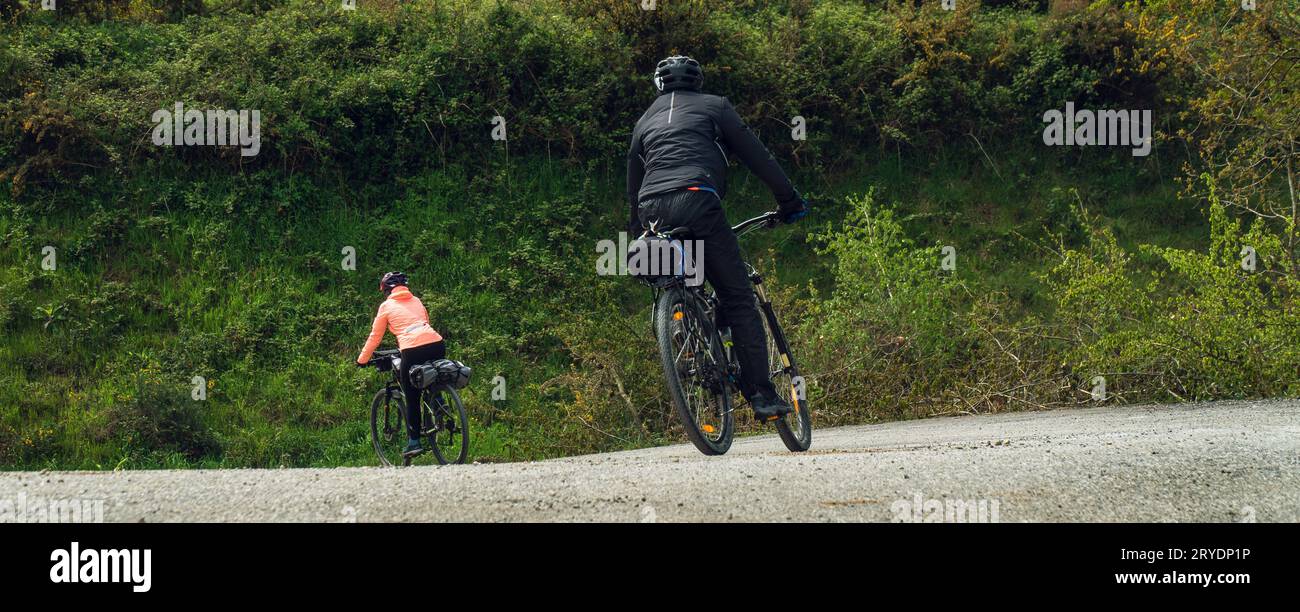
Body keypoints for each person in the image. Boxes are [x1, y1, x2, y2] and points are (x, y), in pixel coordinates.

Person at [626, 55, 809, 421]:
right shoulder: (715, 106)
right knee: (738, 296)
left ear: (659, 86)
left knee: (687, 276)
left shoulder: (644, 120)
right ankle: (761, 394)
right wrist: (788, 200)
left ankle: (690, 332)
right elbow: (758, 155)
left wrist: (637, 228)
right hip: (698, 199)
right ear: (697, 82)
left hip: (652, 208)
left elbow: (633, 178)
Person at [356, 272, 446, 455]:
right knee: (433, 375)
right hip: (437, 343)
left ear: (387, 290)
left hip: (412, 349)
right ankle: (439, 402)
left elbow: (375, 337)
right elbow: (425, 323)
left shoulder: (386, 306)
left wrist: (362, 359)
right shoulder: (417, 300)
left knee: (411, 394)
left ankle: (414, 442)